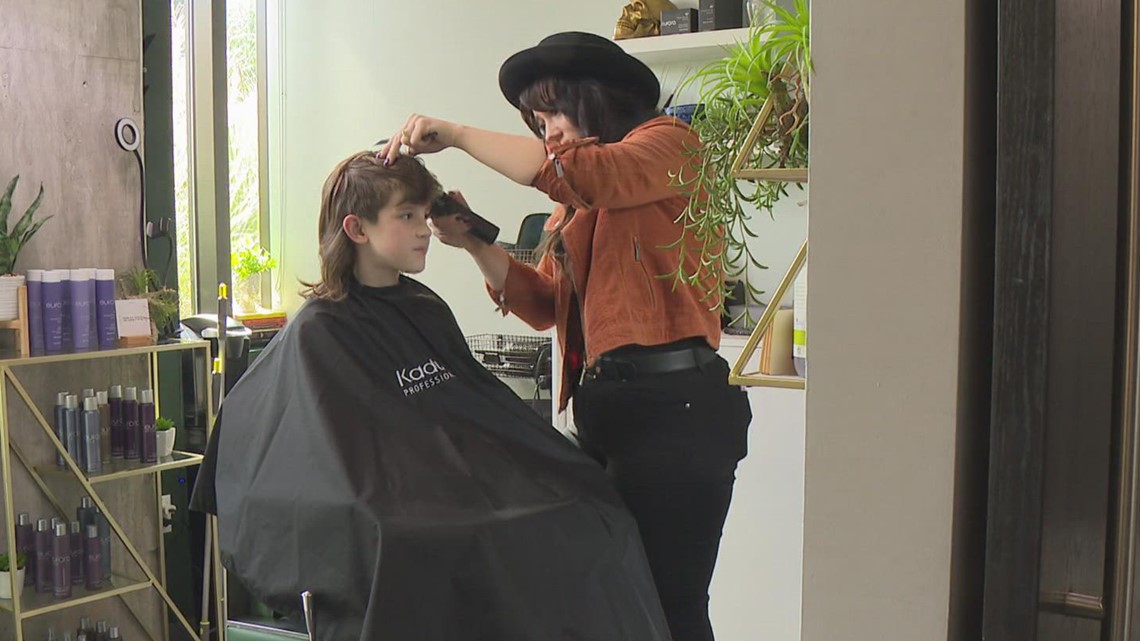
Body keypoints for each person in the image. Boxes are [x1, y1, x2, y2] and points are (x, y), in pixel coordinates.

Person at [189, 152, 672, 641]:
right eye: (406, 216)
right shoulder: (321, 329)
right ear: (357, 229)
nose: (424, 230)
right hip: (395, 505)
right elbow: (339, 453)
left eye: (424, 215)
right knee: (455, 547)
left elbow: (470, 410)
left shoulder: (424, 307)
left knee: (590, 504)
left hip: (450, 488)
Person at [380, 31, 753, 641]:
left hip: (677, 413)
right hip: (610, 413)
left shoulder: (668, 145)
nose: (545, 130)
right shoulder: (574, 206)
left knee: (670, 605)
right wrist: (474, 241)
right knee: (613, 599)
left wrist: (457, 134)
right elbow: (544, 302)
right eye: (536, 119)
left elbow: (584, 175)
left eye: (552, 111)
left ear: (596, 99)